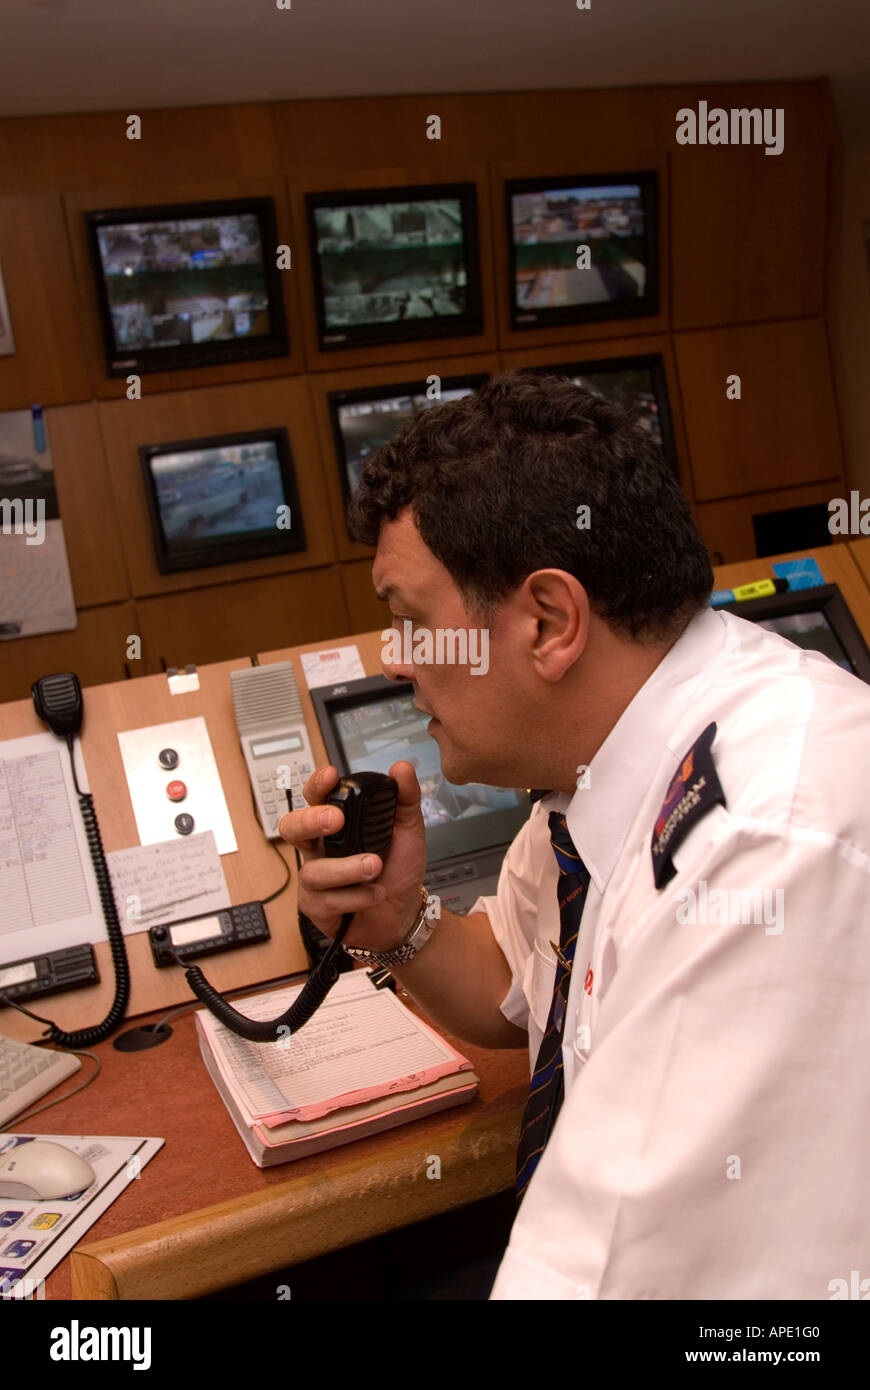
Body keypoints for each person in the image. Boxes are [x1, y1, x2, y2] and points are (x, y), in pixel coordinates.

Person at [279, 369, 870, 1300]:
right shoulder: (601, 768)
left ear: (549, 621)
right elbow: (522, 983)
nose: (394, 662)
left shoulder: (765, 842)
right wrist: (400, 921)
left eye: (411, 623)